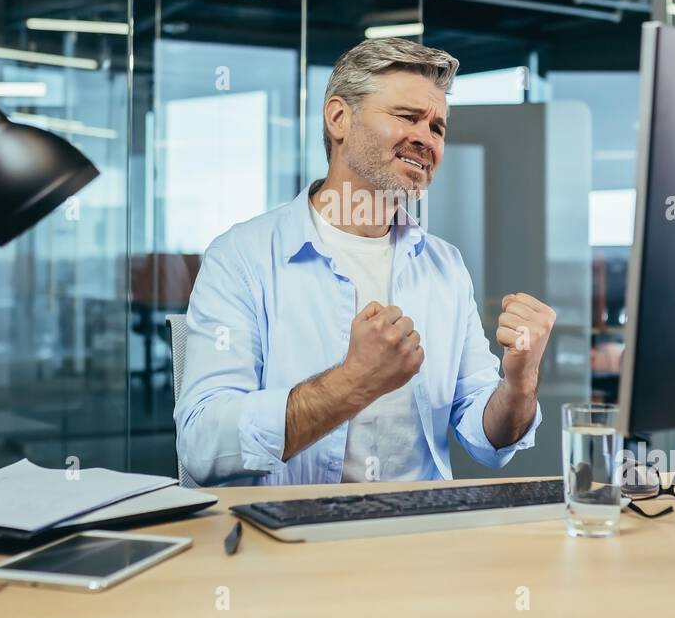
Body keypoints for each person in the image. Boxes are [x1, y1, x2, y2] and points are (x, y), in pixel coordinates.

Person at [175, 37, 556, 486]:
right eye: (407, 117)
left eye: (437, 127)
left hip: (417, 534)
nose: (425, 138)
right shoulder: (242, 257)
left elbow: (486, 440)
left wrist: (519, 383)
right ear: (339, 118)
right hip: (291, 540)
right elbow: (202, 446)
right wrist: (353, 382)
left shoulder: (445, 266)